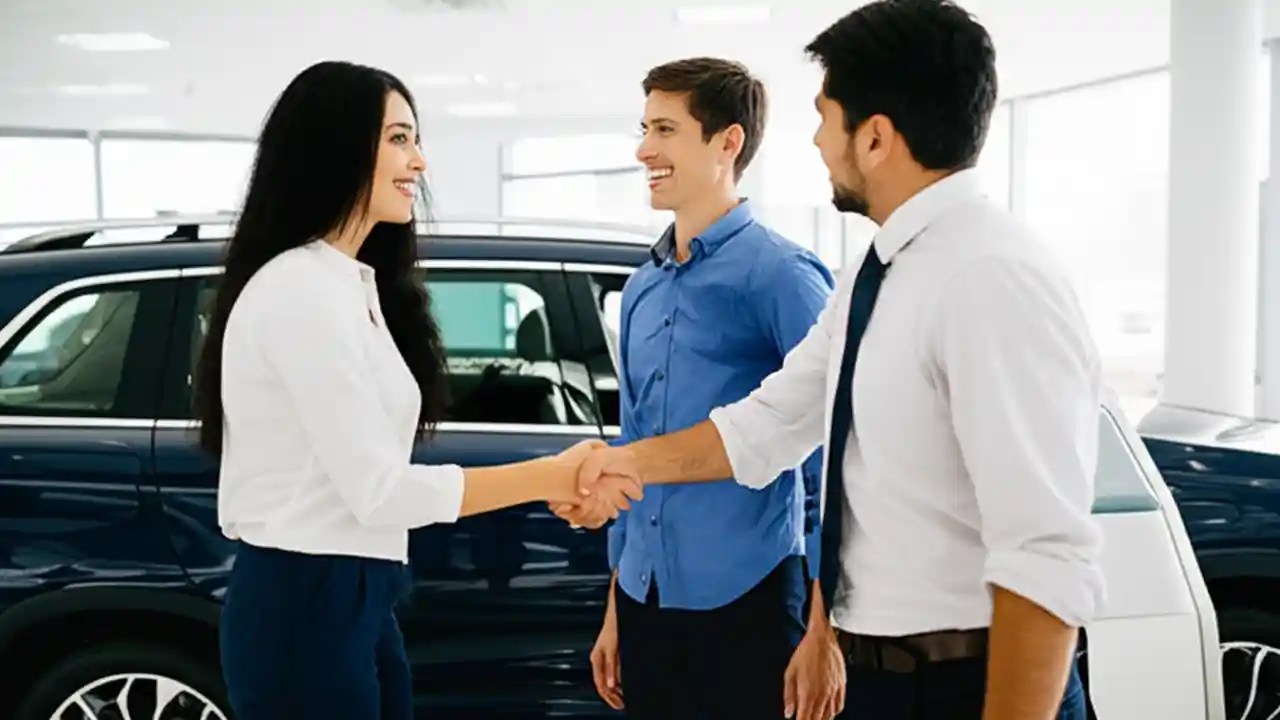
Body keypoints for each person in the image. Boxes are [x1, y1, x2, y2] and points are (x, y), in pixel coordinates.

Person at [569, 2, 1102, 719]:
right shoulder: (876, 273)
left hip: (963, 684)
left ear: (876, 137)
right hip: (881, 677)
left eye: (825, 117)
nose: (817, 140)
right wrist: (625, 466)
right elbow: (767, 426)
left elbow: (1046, 554)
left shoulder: (992, 276)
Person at [192, 60, 639, 720]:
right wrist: (551, 474)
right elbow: (378, 490)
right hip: (306, 594)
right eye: (399, 139)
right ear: (337, 146)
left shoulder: (351, 282)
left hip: (357, 589)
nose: (420, 162)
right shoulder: (299, 289)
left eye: (415, 139)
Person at [550, 57, 840, 720]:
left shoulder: (782, 276)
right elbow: (636, 446)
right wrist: (617, 608)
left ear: (727, 143)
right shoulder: (642, 291)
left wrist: (825, 631)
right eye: (644, 128)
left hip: (751, 603)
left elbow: (831, 460)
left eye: (664, 129)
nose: (643, 149)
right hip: (648, 601)